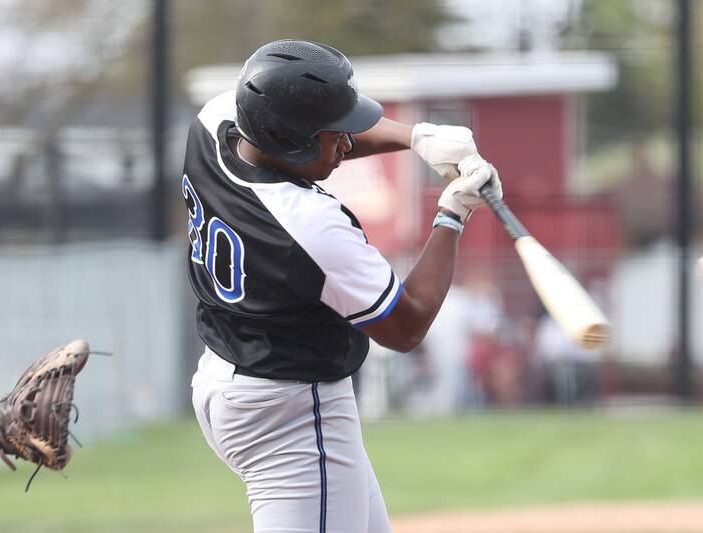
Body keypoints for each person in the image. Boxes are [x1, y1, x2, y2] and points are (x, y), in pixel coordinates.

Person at [184, 39, 502, 533]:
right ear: (290, 142)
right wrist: (453, 215)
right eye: (337, 137)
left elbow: (304, 138)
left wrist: (416, 137)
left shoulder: (216, 123)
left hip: (230, 378)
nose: (349, 145)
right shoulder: (309, 227)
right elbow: (407, 325)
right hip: (288, 414)